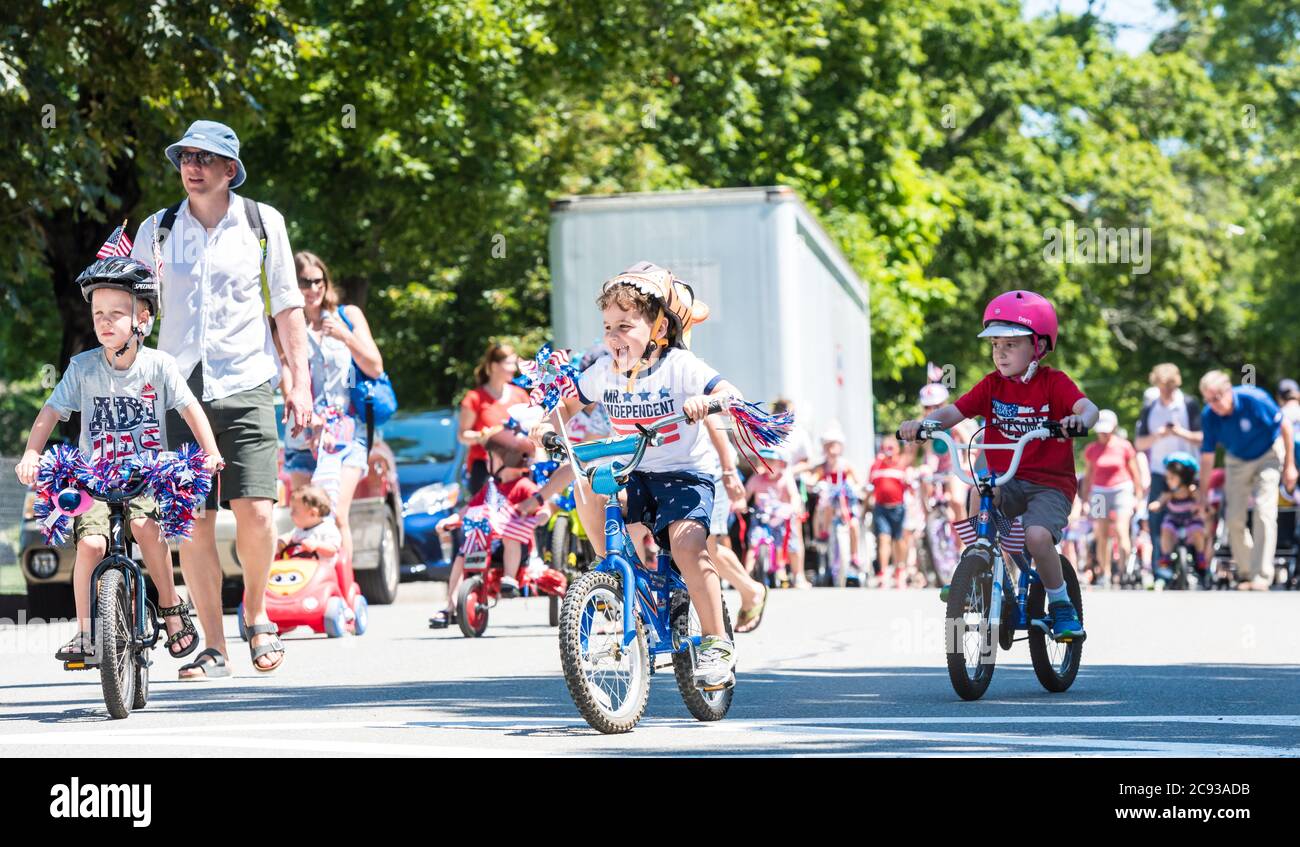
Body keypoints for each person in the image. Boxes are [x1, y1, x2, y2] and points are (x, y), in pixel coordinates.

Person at [131, 119, 312, 678]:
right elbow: (136, 310)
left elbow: (286, 305)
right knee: (194, 521)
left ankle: (256, 613)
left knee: (257, 511)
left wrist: (299, 381)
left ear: (229, 169)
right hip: (176, 389)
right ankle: (214, 645)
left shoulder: (262, 221)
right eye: (186, 156)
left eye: (205, 158)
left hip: (248, 380)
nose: (192, 166)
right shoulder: (158, 230)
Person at [14, 257, 223, 664]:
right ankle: (86, 632)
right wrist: (31, 454)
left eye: (116, 313)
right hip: (95, 475)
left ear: (141, 318)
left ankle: (170, 607)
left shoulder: (158, 366)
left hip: (144, 472)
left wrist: (211, 452)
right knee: (91, 543)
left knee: (146, 526)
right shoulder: (83, 367)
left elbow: (191, 409)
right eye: (97, 314)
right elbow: (50, 412)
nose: (105, 322)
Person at [547, 261, 743, 689]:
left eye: (625, 325)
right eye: (607, 326)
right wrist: (547, 427)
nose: (613, 336)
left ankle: (716, 643)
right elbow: (564, 407)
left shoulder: (680, 367)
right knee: (588, 482)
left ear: (657, 328)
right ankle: (613, 572)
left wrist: (707, 404)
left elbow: (730, 392)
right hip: (631, 472)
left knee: (688, 545)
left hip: (683, 475)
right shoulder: (604, 373)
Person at [898, 289, 1099, 641]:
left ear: (1038, 347)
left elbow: (1087, 408)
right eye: (995, 345)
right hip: (1007, 477)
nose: (1000, 353)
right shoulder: (991, 385)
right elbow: (954, 411)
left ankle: (1061, 603)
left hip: (1049, 484)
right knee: (981, 493)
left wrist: (1079, 420)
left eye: (1011, 344)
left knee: (1037, 538)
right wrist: (925, 425)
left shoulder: (1054, 382)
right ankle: (975, 570)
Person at [275, 252, 384, 563]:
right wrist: (306, 415)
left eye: (318, 281)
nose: (313, 288)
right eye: (304, 282)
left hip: (346, 435)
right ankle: (312, 594)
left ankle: (343, 590)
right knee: (303, 519)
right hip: (303, 436)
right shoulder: (283, 322)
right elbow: (286, 376)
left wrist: (345, 336)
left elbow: (375, 366)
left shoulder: (347, 315)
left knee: (335, 516)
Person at [1197, 370, 1298, 590]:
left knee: (1264, 510)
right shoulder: (1209, 416)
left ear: (1228, 391)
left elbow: (1286, 427)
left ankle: (1262, 575)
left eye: (1217, 398)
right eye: (1208, 400)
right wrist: (1203, 495)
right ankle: (1246, 572)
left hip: (1268, 453)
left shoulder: (1254, 398)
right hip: (1236, 460)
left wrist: (1290, 465)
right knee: (1233, 518)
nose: (1214, 405)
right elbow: (1207, 457)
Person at [704, 415, 772, 632]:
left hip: (710, 471)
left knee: (706, 545)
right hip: (664, 472)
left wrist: (728, 472)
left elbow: (714, 418)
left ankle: (750, 590)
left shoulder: (690, 383)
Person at [1134, 363, 1202, 569]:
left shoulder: (1188, 404)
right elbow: (1139, 443)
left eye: (1169, 387)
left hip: (1187, 471)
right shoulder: (1150, 408)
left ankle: (1196, 563)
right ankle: (1160, 570)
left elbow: (1202, 437)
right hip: (1160, 472)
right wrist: (1159, 435)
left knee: (1195, 517)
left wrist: (1181, 432)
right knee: (1157, 519)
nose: (1166, 392)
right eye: (1162, 387)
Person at [1079, 410, 1144, 587]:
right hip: (1099, 492)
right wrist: (1085, 499)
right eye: (1101, 431)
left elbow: (1134, 472)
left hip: (1121, 488)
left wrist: (1138, 495)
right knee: (1101, 533)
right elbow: (1088, 475)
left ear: (1113, 428)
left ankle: (1123, 572)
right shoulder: (1092, 449)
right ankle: (1105, 573)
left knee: (1122, 530)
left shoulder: (1124, 446)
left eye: (1106, 431)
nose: (1103, 434)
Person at [458, 342, 530, 498]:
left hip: (516, 466)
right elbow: (462, 435)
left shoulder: (520, 395)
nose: (514, 368)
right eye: (509, 363)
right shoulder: (474, 398)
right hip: (484, 470)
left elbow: (531, 428)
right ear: (494, 366)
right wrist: (483, 436)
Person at [742, 447, 805, 595]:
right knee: (753, 543)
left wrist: (794, 507)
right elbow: (745, 495)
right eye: (764, 461)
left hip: (781, 517)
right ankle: (745, 576)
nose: (767, 464)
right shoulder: (756, 479)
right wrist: (741, 504)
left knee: (790, 543)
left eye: (771, 461)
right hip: (761, 517)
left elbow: (794, 496)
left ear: (781, 464)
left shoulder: (785, 479)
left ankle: (797, 575)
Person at [811, 427, 865, 582]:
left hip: (845, 504)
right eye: (828, 445)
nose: (831, 449)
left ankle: (854, 555)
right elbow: (813, 477)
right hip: (830, 503)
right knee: (822, 507)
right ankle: (822, 535)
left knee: (854, 524)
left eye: (834, 445)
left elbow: (858, 480)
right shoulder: (823, 467)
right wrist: (813, 483)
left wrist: (856, 487)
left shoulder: (845, 465)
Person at [1147, 452, 1205, 586]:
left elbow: (1200, 502)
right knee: (1166, 529)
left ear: (1183, 477)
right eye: (1167, 478)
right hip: (1174, 520)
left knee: (1198, 530)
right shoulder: (1169, 493)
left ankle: (1200, 554)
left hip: (1190, 520)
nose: (1168, 481)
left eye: (1172, 478)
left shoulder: (1192, 490)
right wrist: (1155, 505)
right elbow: (1160, 501)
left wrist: (1201, 507)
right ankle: (1165, 556)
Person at [867, 435, 909, 586]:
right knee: (883, 539)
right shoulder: (876, 465)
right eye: (886, 446)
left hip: (898, 508)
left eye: (892, 446)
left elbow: (908, 485)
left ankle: (900, 569)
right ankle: (883, 572)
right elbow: (870, 486)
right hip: (880, 508)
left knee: (899, 540)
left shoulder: (902, 464)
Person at [277, 485, 342, 560]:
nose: (291, 514)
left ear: (312, 513)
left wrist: (317, 546)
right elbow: (290, 537)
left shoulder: (328, 529)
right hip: (300, 568)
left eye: (295, 510)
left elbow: (333, 550)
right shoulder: (299, 529)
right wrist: (282, 541)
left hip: (321, 568)